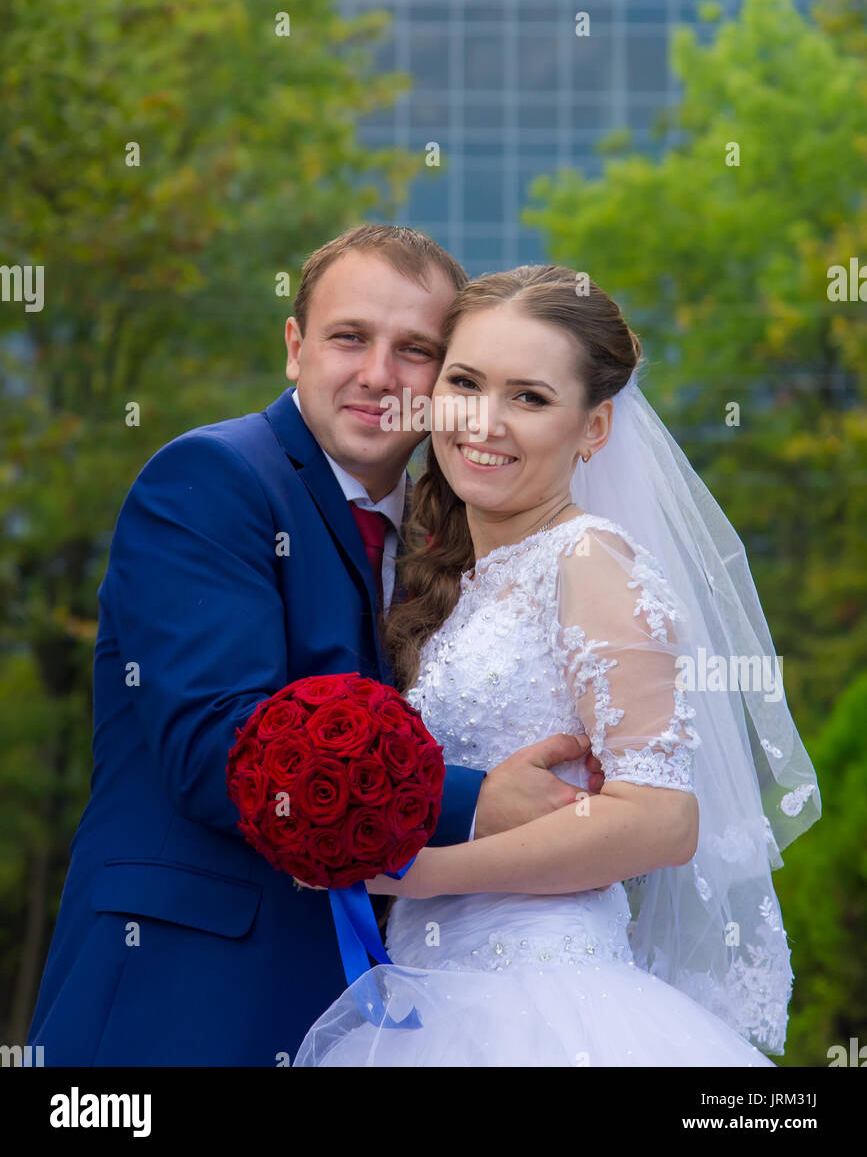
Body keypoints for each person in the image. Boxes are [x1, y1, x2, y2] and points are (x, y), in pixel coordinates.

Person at [26, 227, 602, 1066]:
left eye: (415, 350)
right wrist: (475, 806)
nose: (378, 375)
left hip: (391, 1004)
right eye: (348, 337)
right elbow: (217, 745)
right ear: (295, 346)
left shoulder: (458, 536)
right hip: (189, 995)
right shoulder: (211, 480)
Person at [293, 265, 821, 1067]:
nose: (485, 422)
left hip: (541, 1004)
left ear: (594, 428)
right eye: (465, 383)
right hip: (425, 990)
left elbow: (661, 819)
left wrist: (417, 874)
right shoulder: (459, 578)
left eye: (530, 398)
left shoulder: (590, 561)